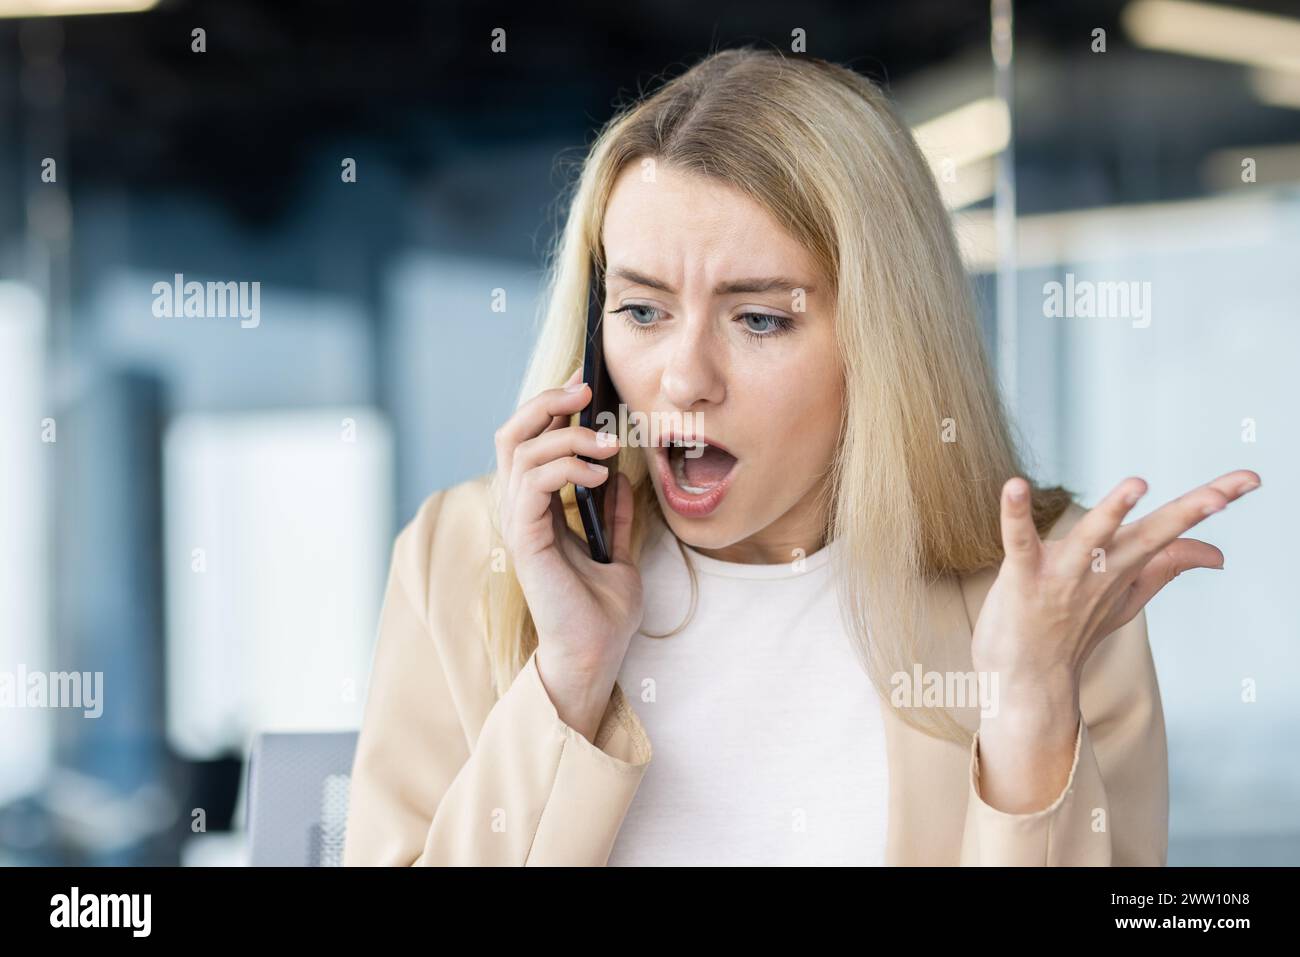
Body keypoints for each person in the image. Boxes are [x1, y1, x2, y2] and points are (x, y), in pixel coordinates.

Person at [341, 47, 1260, 866]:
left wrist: (1027, 711)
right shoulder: (469, 558)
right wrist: (568, 680)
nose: (683, 378)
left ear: (882, 342)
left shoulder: (1043, 583)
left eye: (760, 319)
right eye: (642, 310)